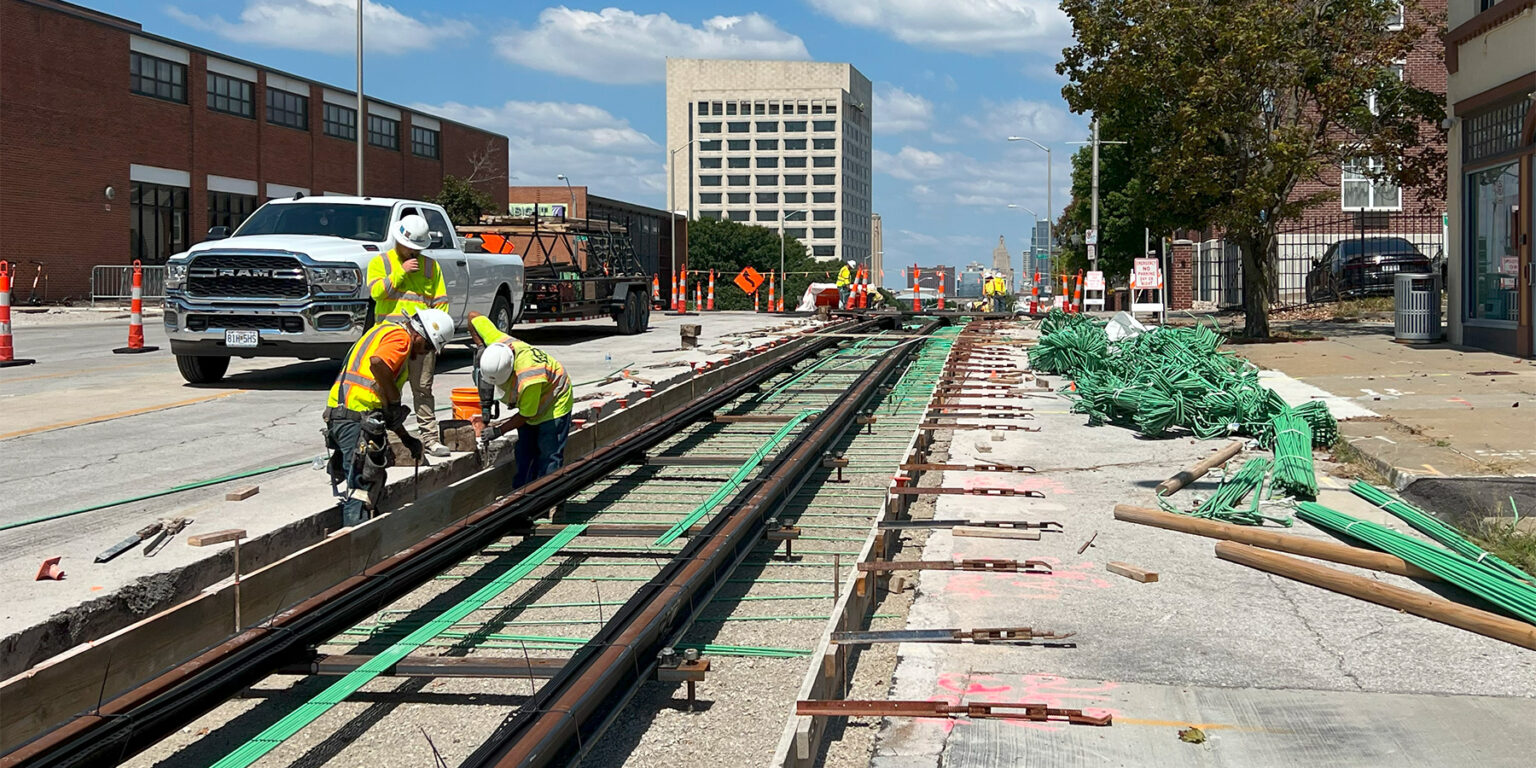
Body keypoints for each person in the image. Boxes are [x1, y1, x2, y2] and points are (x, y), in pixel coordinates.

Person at [323, 307, 453, 525]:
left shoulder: (382, 330)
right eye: (428, 346)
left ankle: (366, 529)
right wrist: (394, 397)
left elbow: (384, 408)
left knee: (371, 479)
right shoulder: (401, 338)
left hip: (344, 415)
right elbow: (377, 363)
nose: (425, 353)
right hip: (355, 418)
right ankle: (356, 538)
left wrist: (406, 438)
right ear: (419, 334)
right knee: (360, 487)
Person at [367, 214, 452, 457]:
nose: (413, 252)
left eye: (417, 248)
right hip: (391, 338)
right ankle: (381, 438)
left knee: (423, 388)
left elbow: (440, 302)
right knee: (385, 388)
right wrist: (400, 273)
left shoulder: (430, 266)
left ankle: (430, 438)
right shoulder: (381, 262)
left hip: (421, 340)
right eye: (409, 246)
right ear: (398, 240)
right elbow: (376, 293)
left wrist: (437, 337)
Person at [467, 311, 574, 487]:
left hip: (555, 400)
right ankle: (521, 493)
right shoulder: (496, 342)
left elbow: (526, 415)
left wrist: (499, 431)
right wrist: (480, 347)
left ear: (510, 371)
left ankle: (549, 495)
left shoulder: (528, 377)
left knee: (549, 455)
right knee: (524, 453)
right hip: (530, 400)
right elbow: (473, 316)